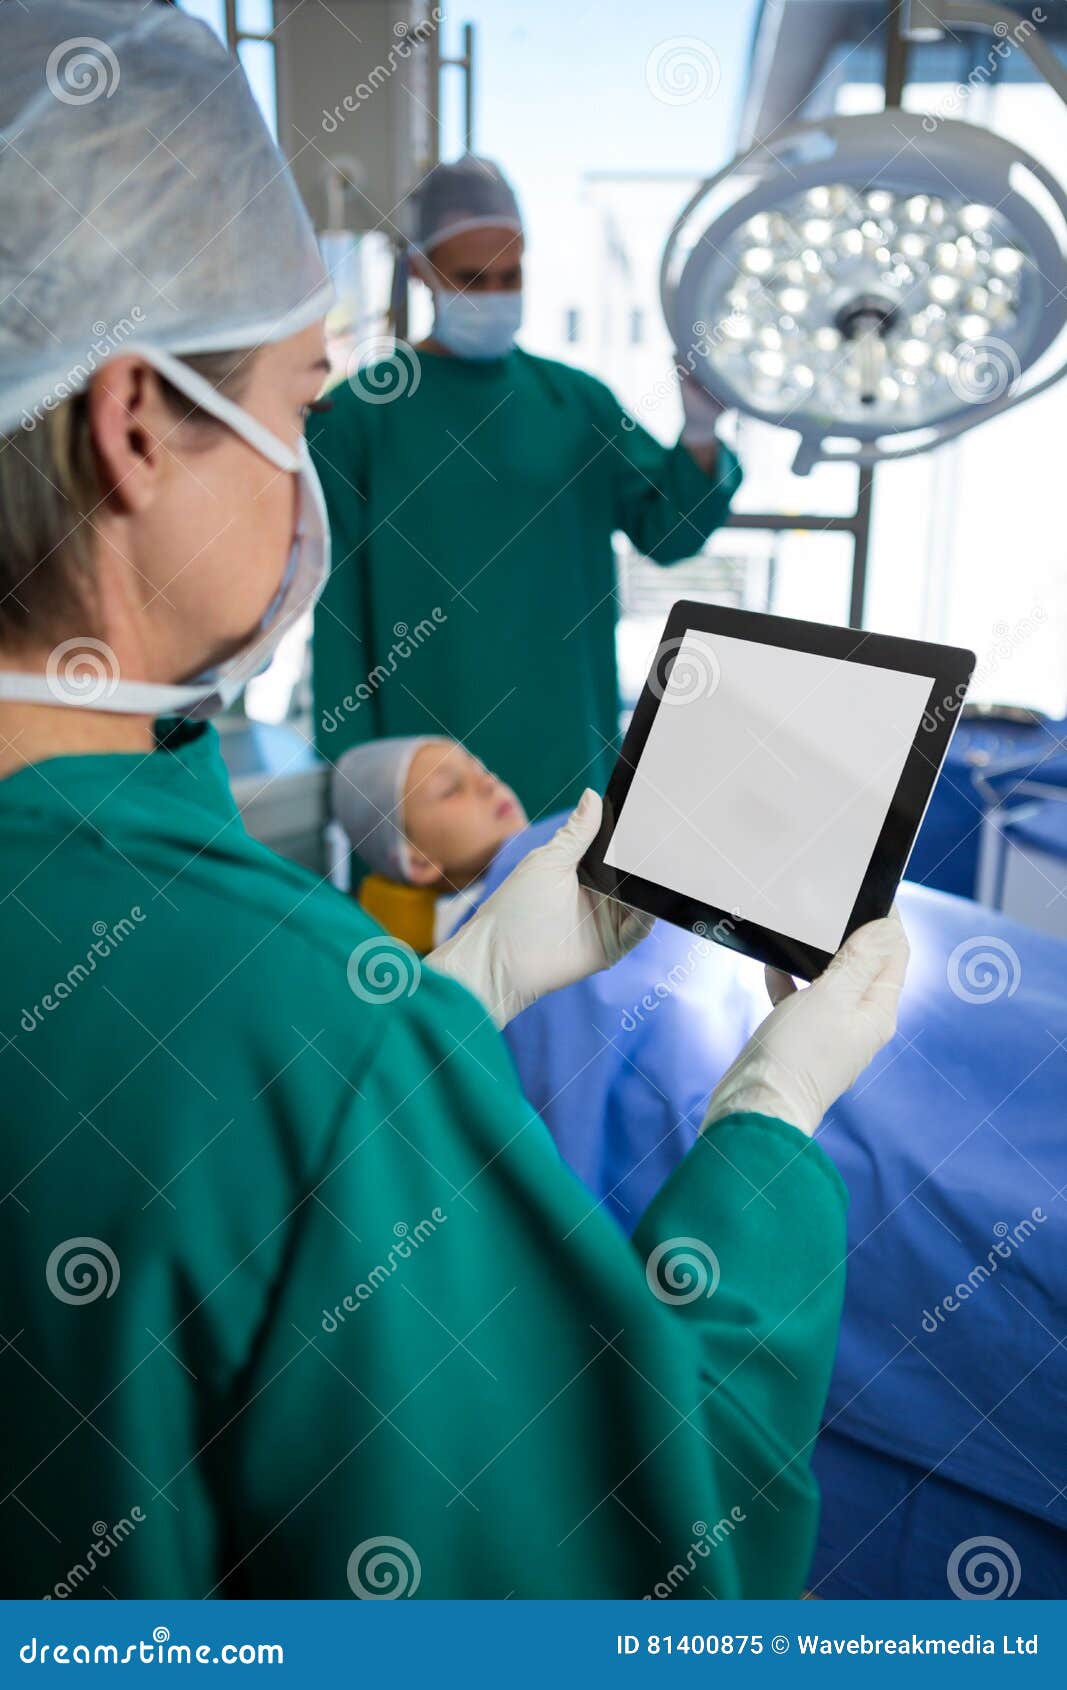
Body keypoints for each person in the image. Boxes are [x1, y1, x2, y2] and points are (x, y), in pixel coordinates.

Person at [0, 3, 908, 1600]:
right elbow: (633, 1563)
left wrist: (450, 989)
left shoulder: (564, 405)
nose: (298, 485)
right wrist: (771, 1116)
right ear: (134, 422)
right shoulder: (302, 1041)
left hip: (498, 845)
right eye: (285, 407)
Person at [309, 155, 744, 822]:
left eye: (510, 276)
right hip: (426, 777)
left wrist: (700, 433)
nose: (493, 293)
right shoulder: (362, 414)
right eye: (470, 278)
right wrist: (356, 774)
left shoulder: (575, 403)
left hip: (567, 755)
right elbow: (333, 606)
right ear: (420, 269)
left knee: (564, 913)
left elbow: (672, 534)